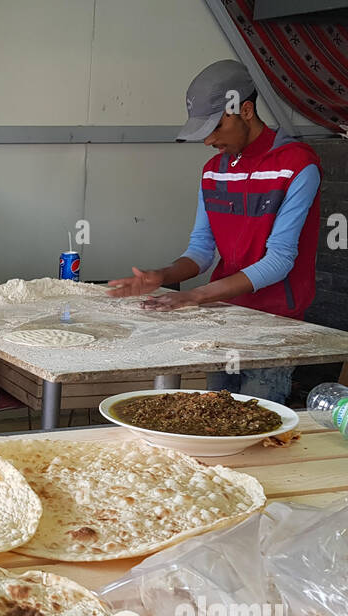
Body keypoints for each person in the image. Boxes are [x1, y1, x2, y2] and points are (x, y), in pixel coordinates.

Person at [109, 60, 322, 403]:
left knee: (257, 420)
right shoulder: (213, 173)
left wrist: (194, 296)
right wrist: (162, 275)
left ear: (246, 110)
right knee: (215, 413)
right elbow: (200, 251)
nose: (208, 140)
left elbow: (280, 260)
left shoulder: (297, 166)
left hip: (275, 324)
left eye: (215, 127)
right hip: (223, 314)